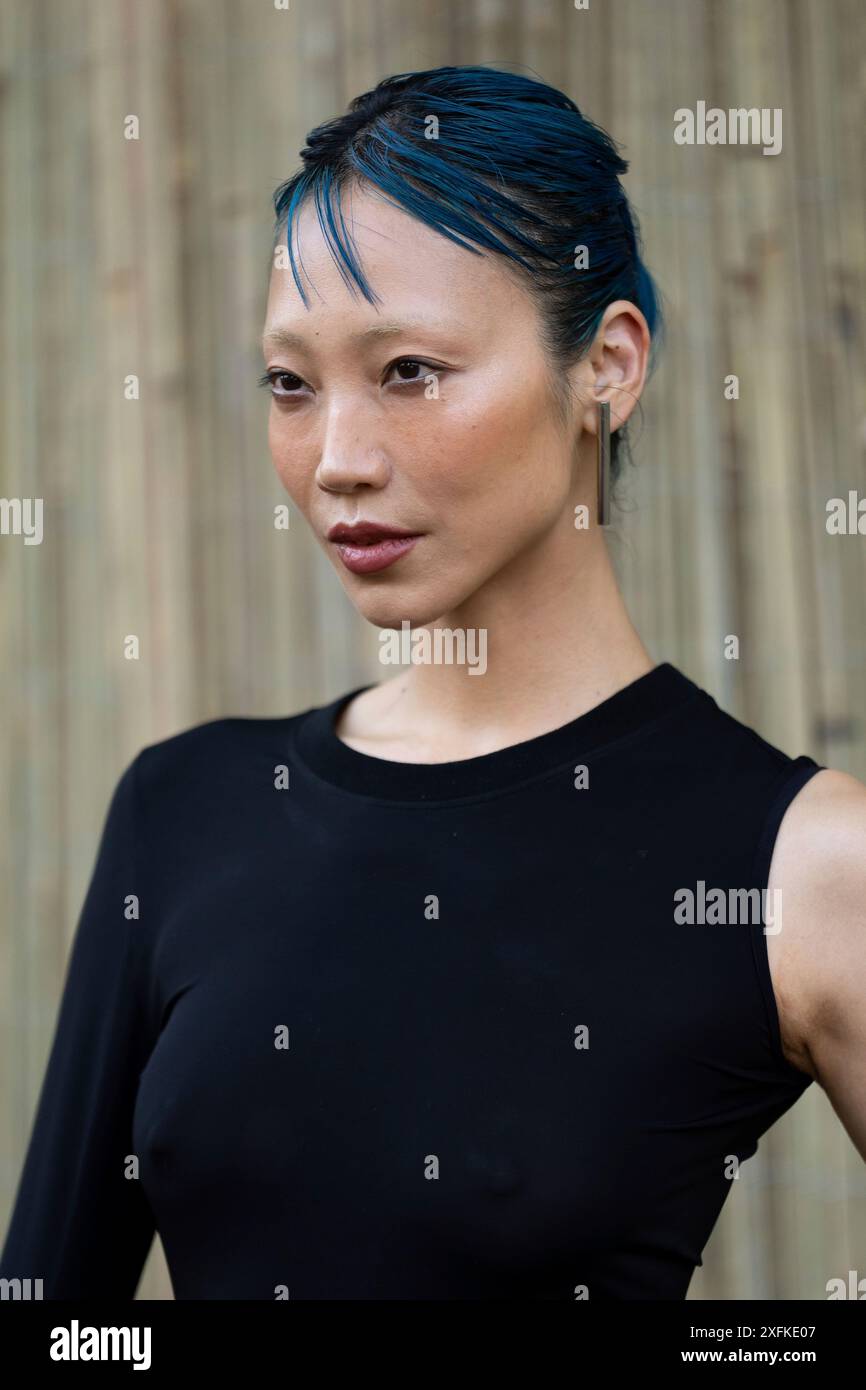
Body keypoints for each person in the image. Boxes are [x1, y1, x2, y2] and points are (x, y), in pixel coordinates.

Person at [2, 65, 864, 1302]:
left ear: (606, 367)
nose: (336, 460)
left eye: (408, 369)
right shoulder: (178, 810)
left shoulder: (800, 867)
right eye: (291, 384)